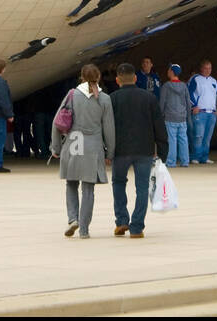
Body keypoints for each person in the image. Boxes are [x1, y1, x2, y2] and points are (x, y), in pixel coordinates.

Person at [51, 63, 116, 238]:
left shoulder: (72, 95)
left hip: (73, 143)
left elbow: (57, 122)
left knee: (71, 183)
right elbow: (109, 128)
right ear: (99, 77)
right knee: (88, 189)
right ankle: (84, 230)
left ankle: (73, 218)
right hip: (93, 145)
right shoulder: (104, 99)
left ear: (81, 76)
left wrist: (55, 147)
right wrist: (110, 152)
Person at [108, 62, 168, 238]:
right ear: (135, 78)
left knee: (118, 183)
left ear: (118, 80)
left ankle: (121, 221)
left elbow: (107, 127)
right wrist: (163, 151)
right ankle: (137, 227)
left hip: (120, 150)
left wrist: (106, 150)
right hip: (144, 149)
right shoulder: (149, 98)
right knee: (142, 188)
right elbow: (159, 125)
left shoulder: (112, 99)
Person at [158, 64, 191, 168]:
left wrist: (160, 115)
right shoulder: (184, 86)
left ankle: (171, 162)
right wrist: (188, 116)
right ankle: (185, 161)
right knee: (183, 139)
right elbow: (188, 102)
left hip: (170, 117)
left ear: (172, 72)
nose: (167, 72)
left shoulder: (166, 86)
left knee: (172, 140)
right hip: (182, 117)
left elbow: (162, 102)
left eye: (168, 70)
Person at [187, 59, 217, 165]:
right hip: (200, 112)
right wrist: (194, 105)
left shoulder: (214, 81)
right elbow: (189, 92)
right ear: (201, 68)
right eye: (205, 68)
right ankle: (195, 156)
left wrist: (216, 107)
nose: (207, 70)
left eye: (209, 68)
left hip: (212, 113)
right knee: (198, 136)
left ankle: (204, 157)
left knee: (207, 137)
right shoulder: (195, 79)